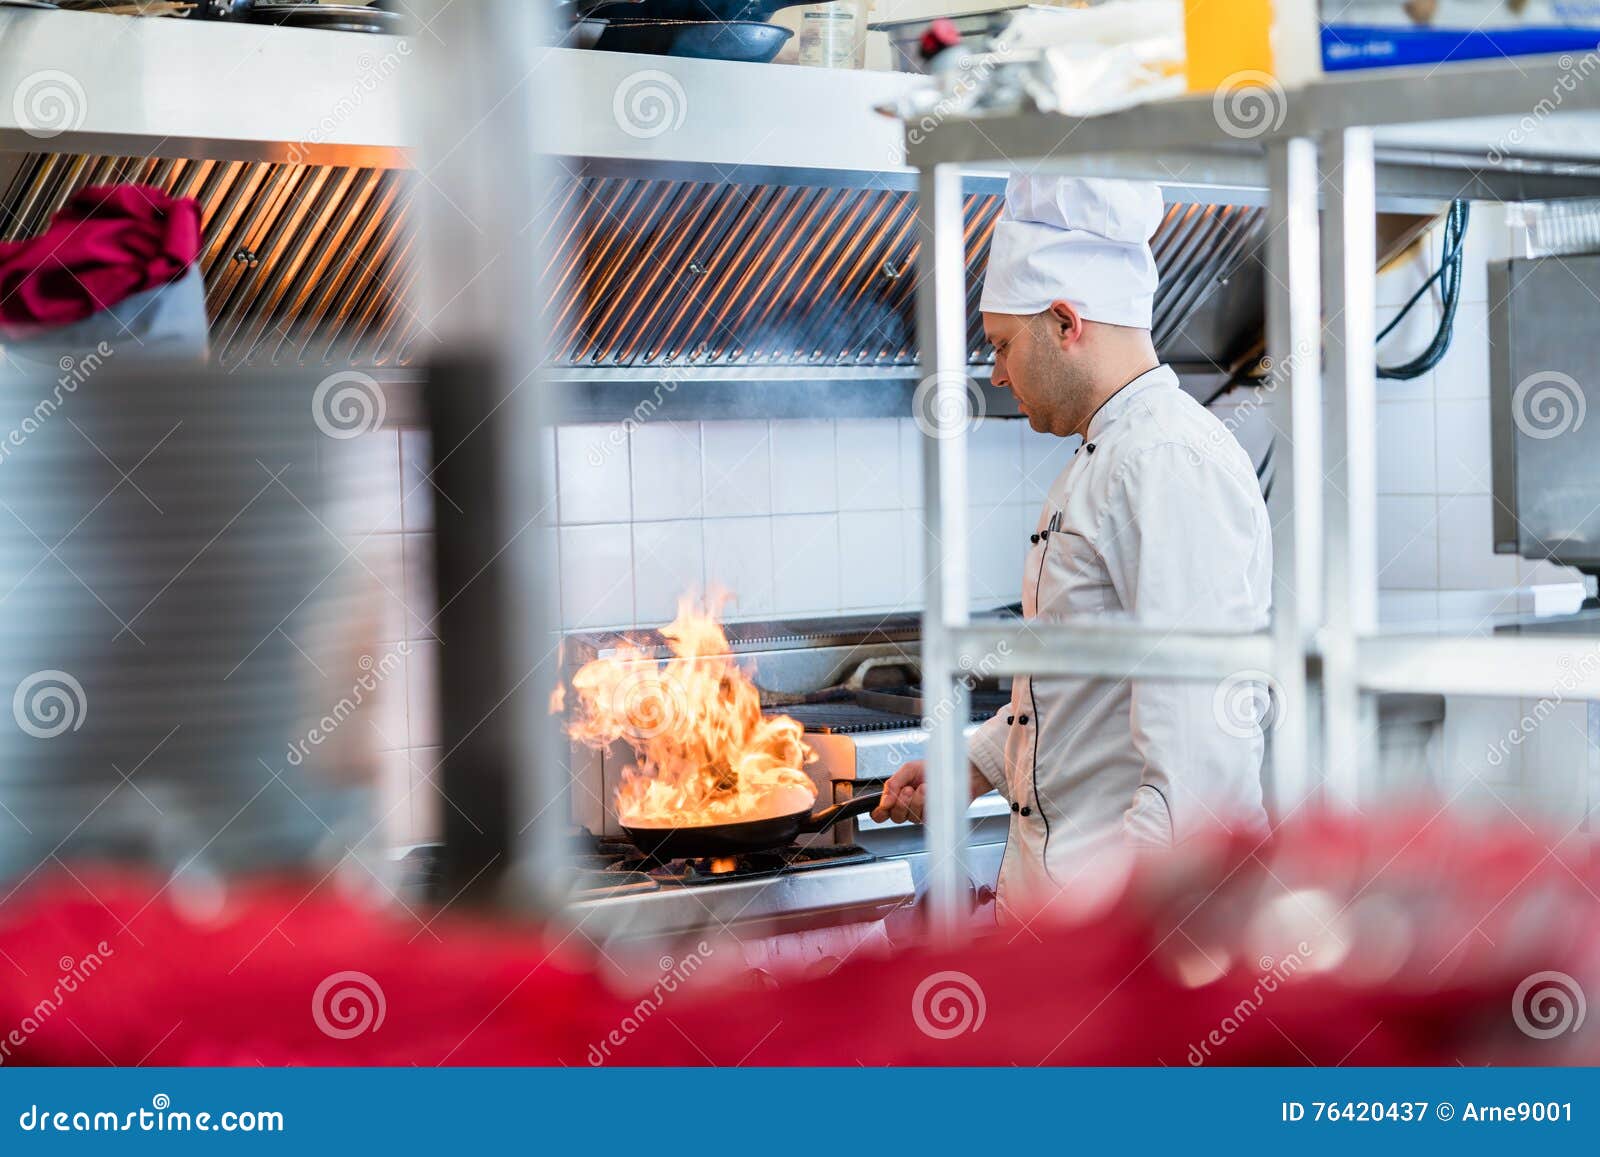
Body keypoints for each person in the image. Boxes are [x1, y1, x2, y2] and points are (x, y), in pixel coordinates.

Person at [873, 175, 1273, 918]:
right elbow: (1084, 676)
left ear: (1065, 321)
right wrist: (975, 764)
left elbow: (1200, 758)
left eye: (1000, 344)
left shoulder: (1165, 463)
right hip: (1063, 933)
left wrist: (1131, 948)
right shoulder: (1107, 455)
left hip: (1124, 946)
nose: (992, 371)